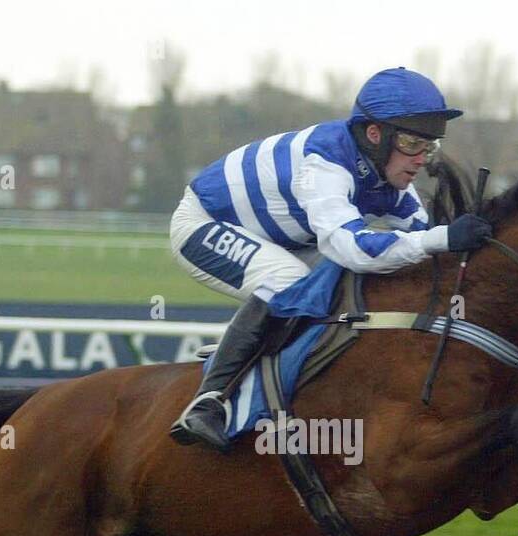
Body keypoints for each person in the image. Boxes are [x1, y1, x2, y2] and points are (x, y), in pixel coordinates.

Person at [167, 66, 494, 452]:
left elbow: (421, 247)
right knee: (290, 279)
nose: (421, 158)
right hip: (205, 222)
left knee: (332, 282)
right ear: (375, 135)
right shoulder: (324, 164)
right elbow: (354, 249)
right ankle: (208, 402)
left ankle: (255, 352)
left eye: (429, 146)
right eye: (411, 143)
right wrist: (441, 238)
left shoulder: (386, 176)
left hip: (280, 236)